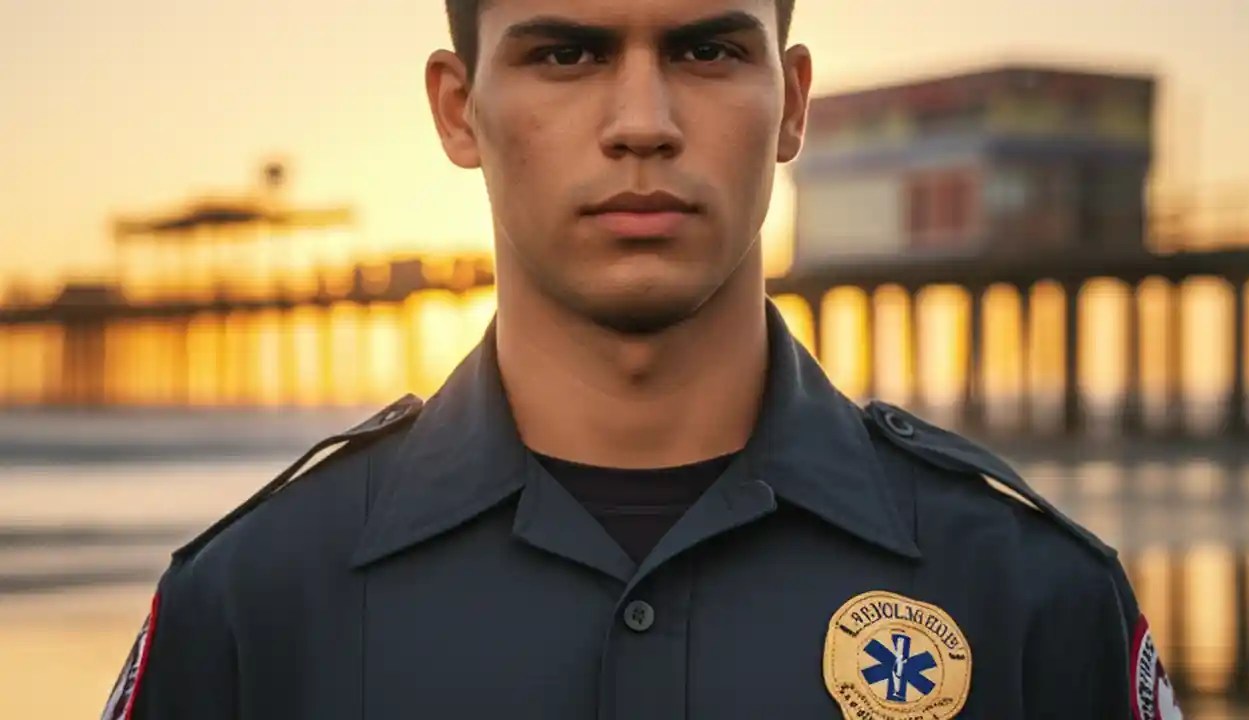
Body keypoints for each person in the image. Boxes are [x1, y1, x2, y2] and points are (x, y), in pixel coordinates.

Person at [102, 1, 1182, 718]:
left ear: (790, 105)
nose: (641, 124)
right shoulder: (253, 606)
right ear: (456, 108)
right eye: (565, 53)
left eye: (704, 49)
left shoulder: (1029, 597)